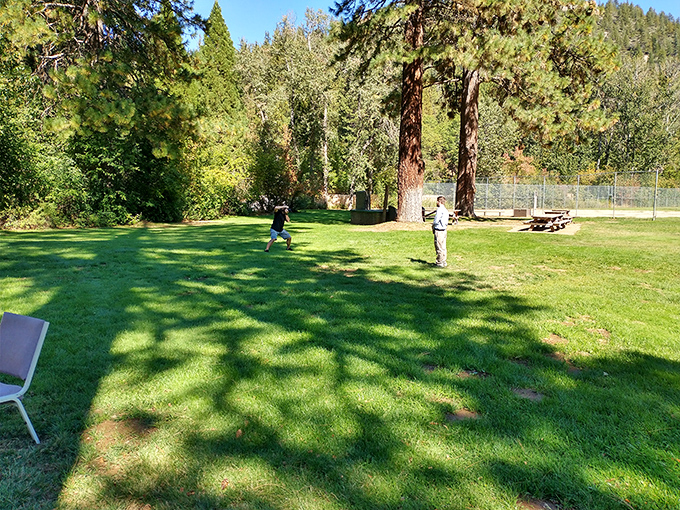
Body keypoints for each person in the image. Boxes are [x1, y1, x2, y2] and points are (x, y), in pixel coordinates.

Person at [432, 196, 448, 267]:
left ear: (439, 202)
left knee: (439, 246)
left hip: (439, 230)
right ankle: (444, 261)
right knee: (443, 246)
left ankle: (439, 262)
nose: (436, 203)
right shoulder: (445, 210)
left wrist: (433, 226)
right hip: (444, 230)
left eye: (437, 201)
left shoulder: (439, 210)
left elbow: (436, 220)